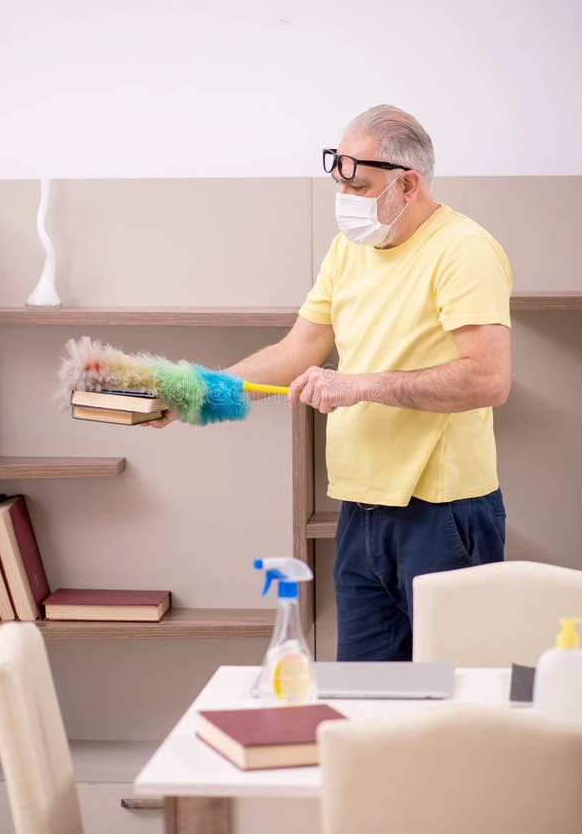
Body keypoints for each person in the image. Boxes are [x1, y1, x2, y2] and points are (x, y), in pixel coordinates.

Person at [150, 104, 512, 662]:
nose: (344, 199)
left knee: (456, 690)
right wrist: (198, 392)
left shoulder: (464, 250)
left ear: (408, 184)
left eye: (359, 186)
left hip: (442, 512)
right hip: (360, 510)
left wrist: (359, 385)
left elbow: (488, 379)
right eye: (340, 183)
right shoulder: (349, 250)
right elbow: (296, 353)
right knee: (364, 695)